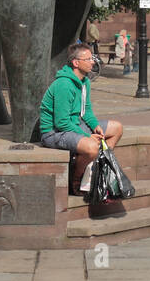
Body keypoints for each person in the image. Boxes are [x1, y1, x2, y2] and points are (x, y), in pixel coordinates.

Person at [37, 44, 123, 182]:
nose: (93, 62)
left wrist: (95, 125)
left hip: (74, 125)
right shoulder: (64, 85)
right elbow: (61, 123)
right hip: (54, 133)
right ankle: (76, 178)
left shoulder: (85, 82)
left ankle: (101, 165)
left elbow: (86, 110)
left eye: (92, 58)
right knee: (92, 147)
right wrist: (87, 136)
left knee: (117, 128)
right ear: (76, 62)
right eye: (88, 59)